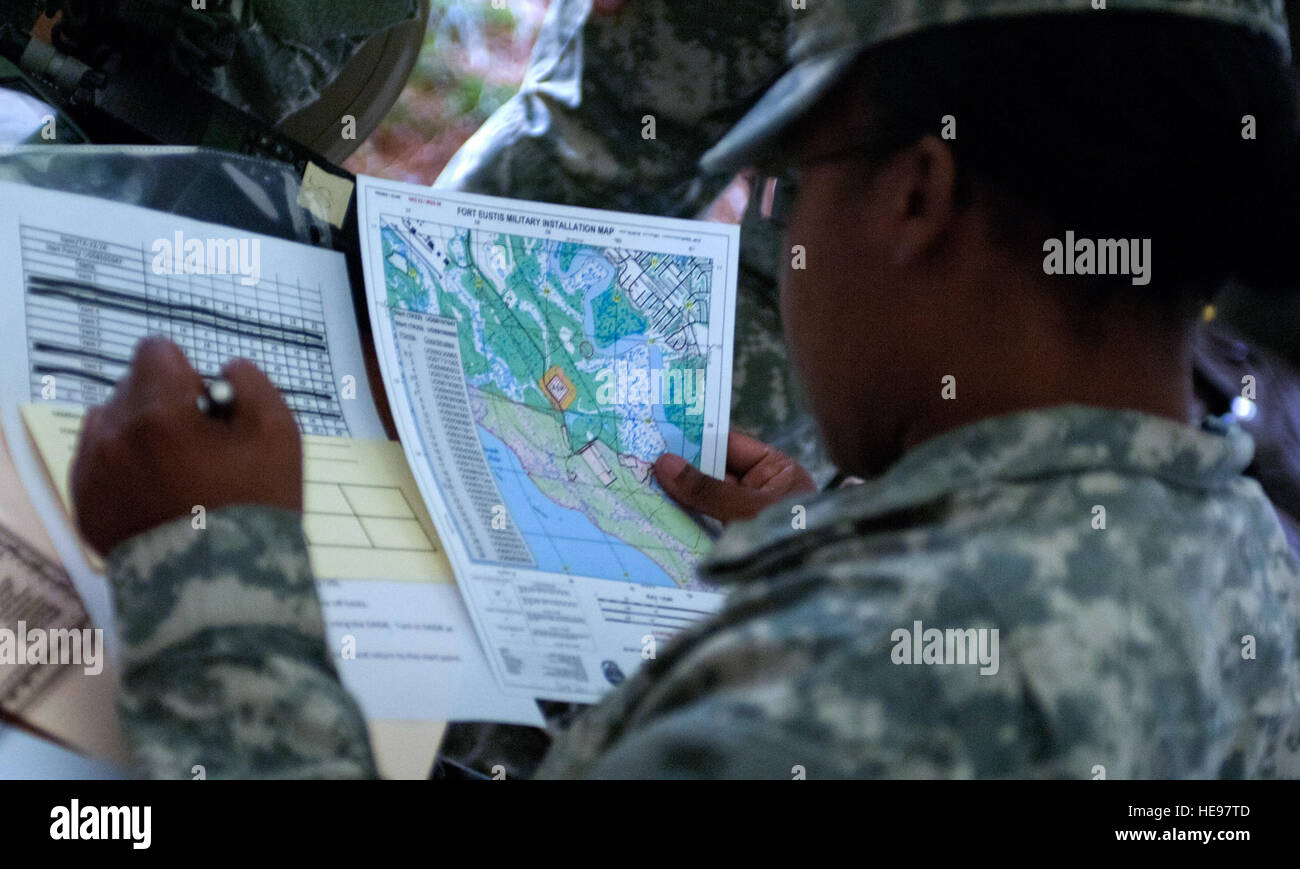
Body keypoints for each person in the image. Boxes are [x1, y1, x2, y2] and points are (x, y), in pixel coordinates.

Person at [73, 0, 1300, 778]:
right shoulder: (1247, 563)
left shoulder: (843, 692)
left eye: (792, 186)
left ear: (915, 196)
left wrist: (218, 569)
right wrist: (831, 545)